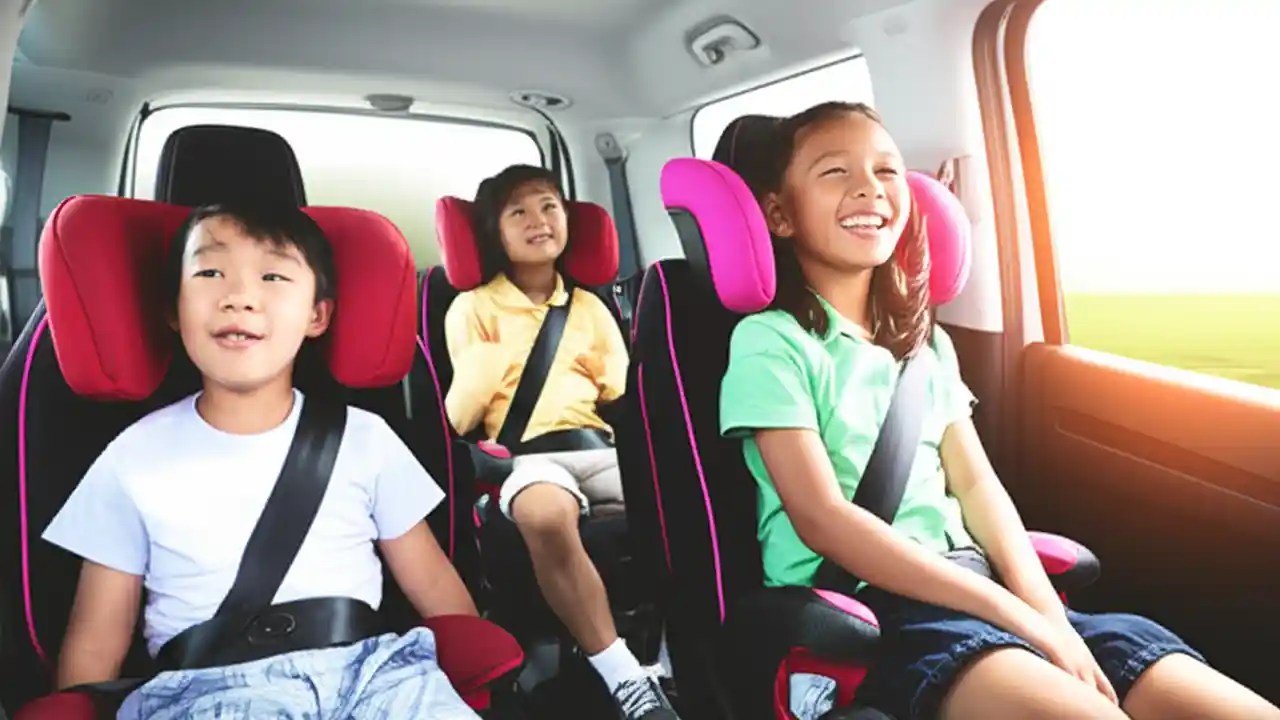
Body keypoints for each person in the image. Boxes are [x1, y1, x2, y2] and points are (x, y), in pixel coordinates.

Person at [719, 101, 1280, 720]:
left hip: (984, 588)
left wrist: (1046, 613)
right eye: (834, 172)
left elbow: (977, 485)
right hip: (881, 612)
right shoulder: (770, 342)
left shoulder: (926, 344)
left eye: (887, 171)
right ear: (779, 214)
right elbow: (821, 516)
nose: (869, 189)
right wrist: (1012, 615)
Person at [43, 204, 482, 719]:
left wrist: (469, 651)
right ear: (173, 309)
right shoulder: (131, 457)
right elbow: (98, 633)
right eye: (209, 273)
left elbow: (432, 582)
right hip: (208, 689)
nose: (239, 297)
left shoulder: (367, 438)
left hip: (378, 675)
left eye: (273, 275)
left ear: (317, 315)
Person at [444, 165, 677, 720]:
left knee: (689, 497)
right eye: (518, 211)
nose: (538, 221)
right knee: (546, 513)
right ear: (493, 232)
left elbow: (618, 391)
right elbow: (458, 418)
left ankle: (672, 658)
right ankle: (623, 676)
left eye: (549, 206)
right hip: (526, 457)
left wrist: (605, 371)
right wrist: (491, 362)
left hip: (601, 449)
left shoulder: (592, 308)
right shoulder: (472, 307)